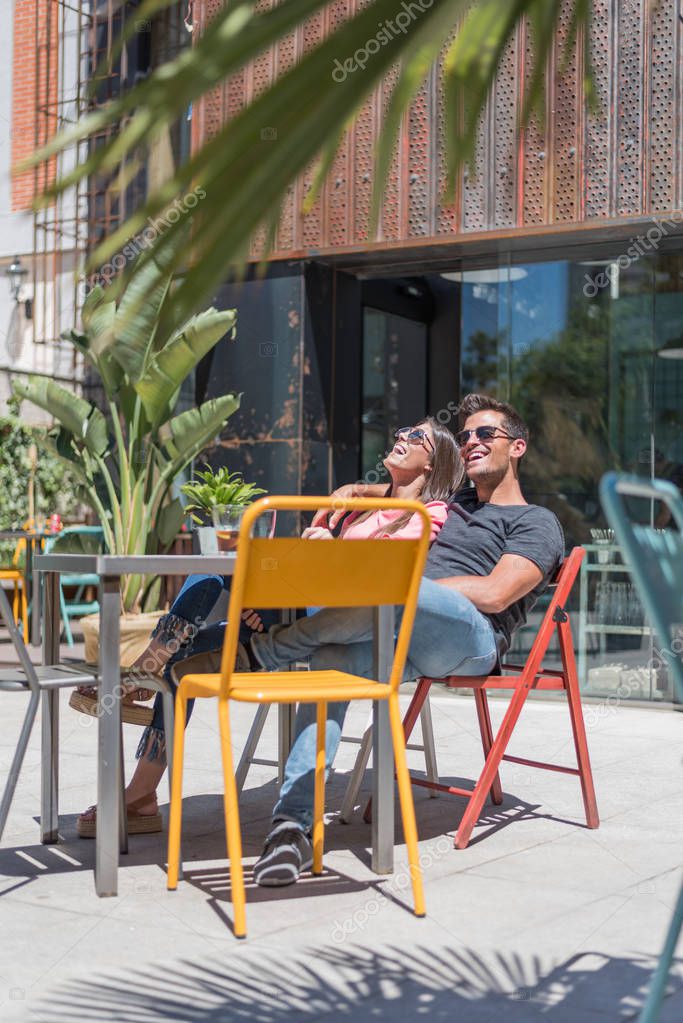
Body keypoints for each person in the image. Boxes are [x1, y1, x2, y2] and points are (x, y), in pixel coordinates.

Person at [76, 417, 462, 837]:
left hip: (335, 627)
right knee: (193, 623)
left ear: (432, 463)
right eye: (402, 431)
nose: (401, 436)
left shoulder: (428, 513)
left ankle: (140, 672)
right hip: (293, 607)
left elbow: (383, 578)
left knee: (214, 579)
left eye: (416, 436)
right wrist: (264, 595)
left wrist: (323, 555)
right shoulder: (360, 507)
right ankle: (141, 796)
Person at [248, 393, 565, 886]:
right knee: (330, 660)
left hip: (470, 640)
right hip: (402, 630)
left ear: (517, 447)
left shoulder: (535, 521)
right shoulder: (453, 505)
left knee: (397, 584)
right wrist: (358, 488)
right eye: (465, 436)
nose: (472, 442)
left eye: (486, 434)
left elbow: (496, 593)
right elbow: (405, 485)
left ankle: (263, 651)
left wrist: (409, 586)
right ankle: (291, 827)